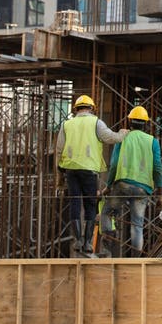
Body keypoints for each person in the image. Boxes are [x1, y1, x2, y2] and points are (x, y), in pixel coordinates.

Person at [56, 94, 127, 256]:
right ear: (91, 108)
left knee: (75, 203)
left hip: (70, 169)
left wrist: (59, 175)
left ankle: (78, 240)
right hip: (89, 170)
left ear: (76, 109)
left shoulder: (67, 124)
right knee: (90, 205)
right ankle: (88, 242)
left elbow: (59, 150)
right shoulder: (96, 122)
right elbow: (110, 137)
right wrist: (122, 133)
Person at [99, 105, 162, 256]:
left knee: (107, 213)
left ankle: (109, 243)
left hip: (122, 184)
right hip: (142, 189)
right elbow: (157, 167)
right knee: (137, 225)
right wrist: (160, 194)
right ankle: (135, 260)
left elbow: (114, 164)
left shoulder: (123, 137)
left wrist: (108, 186)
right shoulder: (152, 141)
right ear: (146, 123)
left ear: (130, 121)